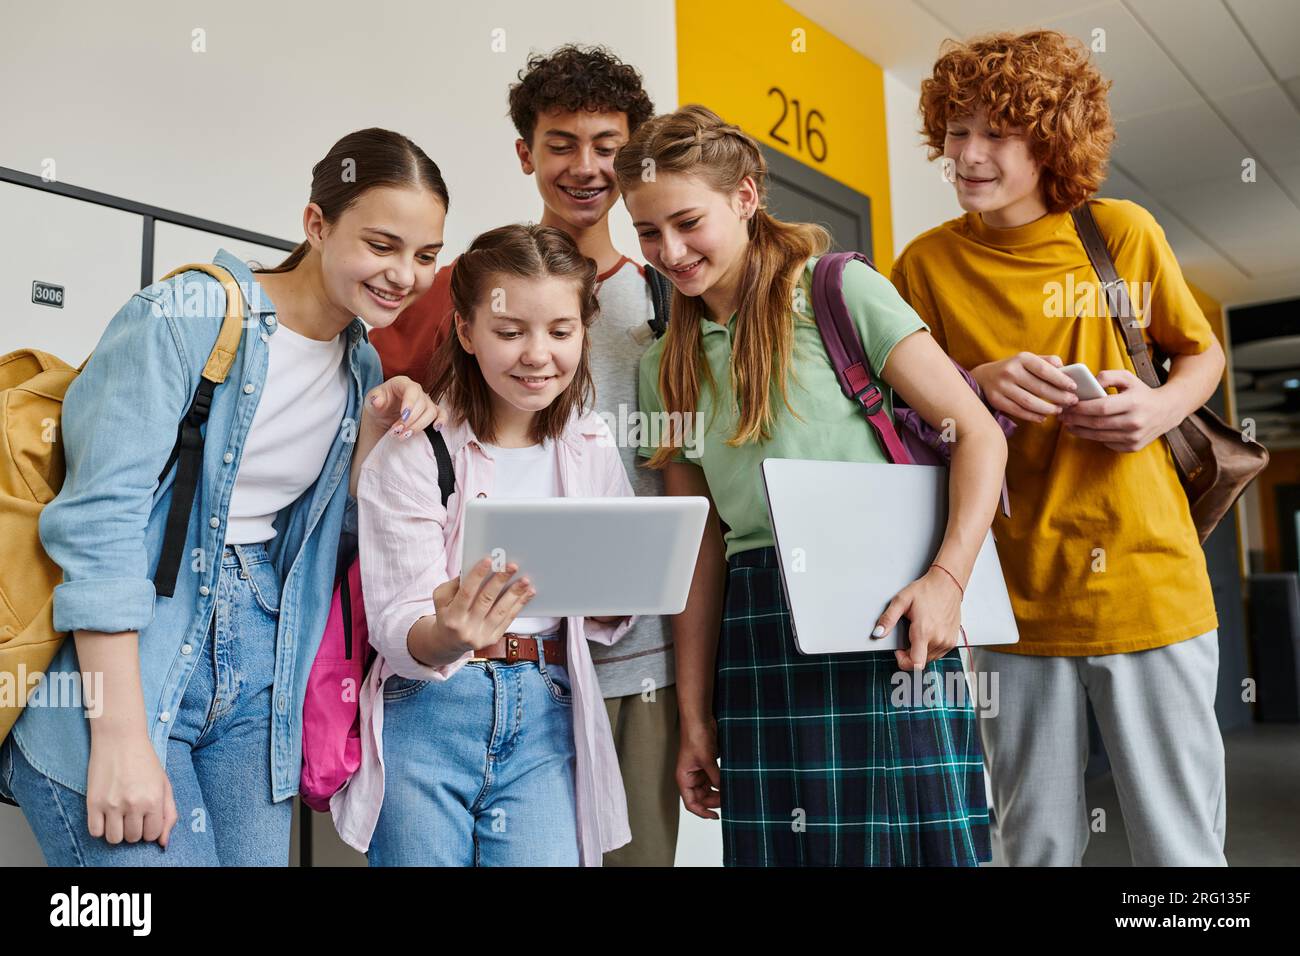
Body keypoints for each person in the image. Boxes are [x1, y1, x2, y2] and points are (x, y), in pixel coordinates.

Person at [0, 128, 444, 865]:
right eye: (382, 244)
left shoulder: (361, 366)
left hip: (256, 676)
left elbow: (322, 549)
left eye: (425, 255)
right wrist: (118, 738)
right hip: (129, 661)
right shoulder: (187, 314)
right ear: (316, 225)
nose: (404, 274)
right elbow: (99, 526)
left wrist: (374, 437)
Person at [617, 105, 1008, 866]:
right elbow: (699, 546)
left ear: (745, 196)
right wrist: (695, 714)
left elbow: (979, 432)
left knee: (913, 845)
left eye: (687, 221)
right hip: (756, 621)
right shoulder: (660, 362)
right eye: (647, 232)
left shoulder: (836, 288)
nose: (670, 250)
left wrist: (947, 580)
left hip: (888, 613)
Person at [890, 30, 1228, 866]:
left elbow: (1201, 351)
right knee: (1030, 844)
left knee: (1178, 849)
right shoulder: (926, 265)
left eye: (996, 135)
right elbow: (895, 416)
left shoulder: (1119, 233)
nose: (968, 156)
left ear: (1050, 142)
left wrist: (1158, 409)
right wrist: (975, 384)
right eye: (957, 131)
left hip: (1147, 585)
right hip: (1009, 598)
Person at [370, 44, 682, 866]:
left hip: (622, 642)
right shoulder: (469, 285)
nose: (585, 167)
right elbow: (377, 404)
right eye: (560, 144)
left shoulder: (666, 291)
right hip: (460, 659)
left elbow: (691, 464)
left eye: (608, 146)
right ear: (526, 154)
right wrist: (398, 400)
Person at [332, 223, 637, 866]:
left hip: (549, 708)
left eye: (560, 331)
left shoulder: (589, 443)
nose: (537, 355)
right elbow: (396, 625)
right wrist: (447, 633)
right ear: (467, 332)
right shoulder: (416, 450)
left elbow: (606, 612)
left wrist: (616, 597)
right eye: (509, 332)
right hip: (429, 710)